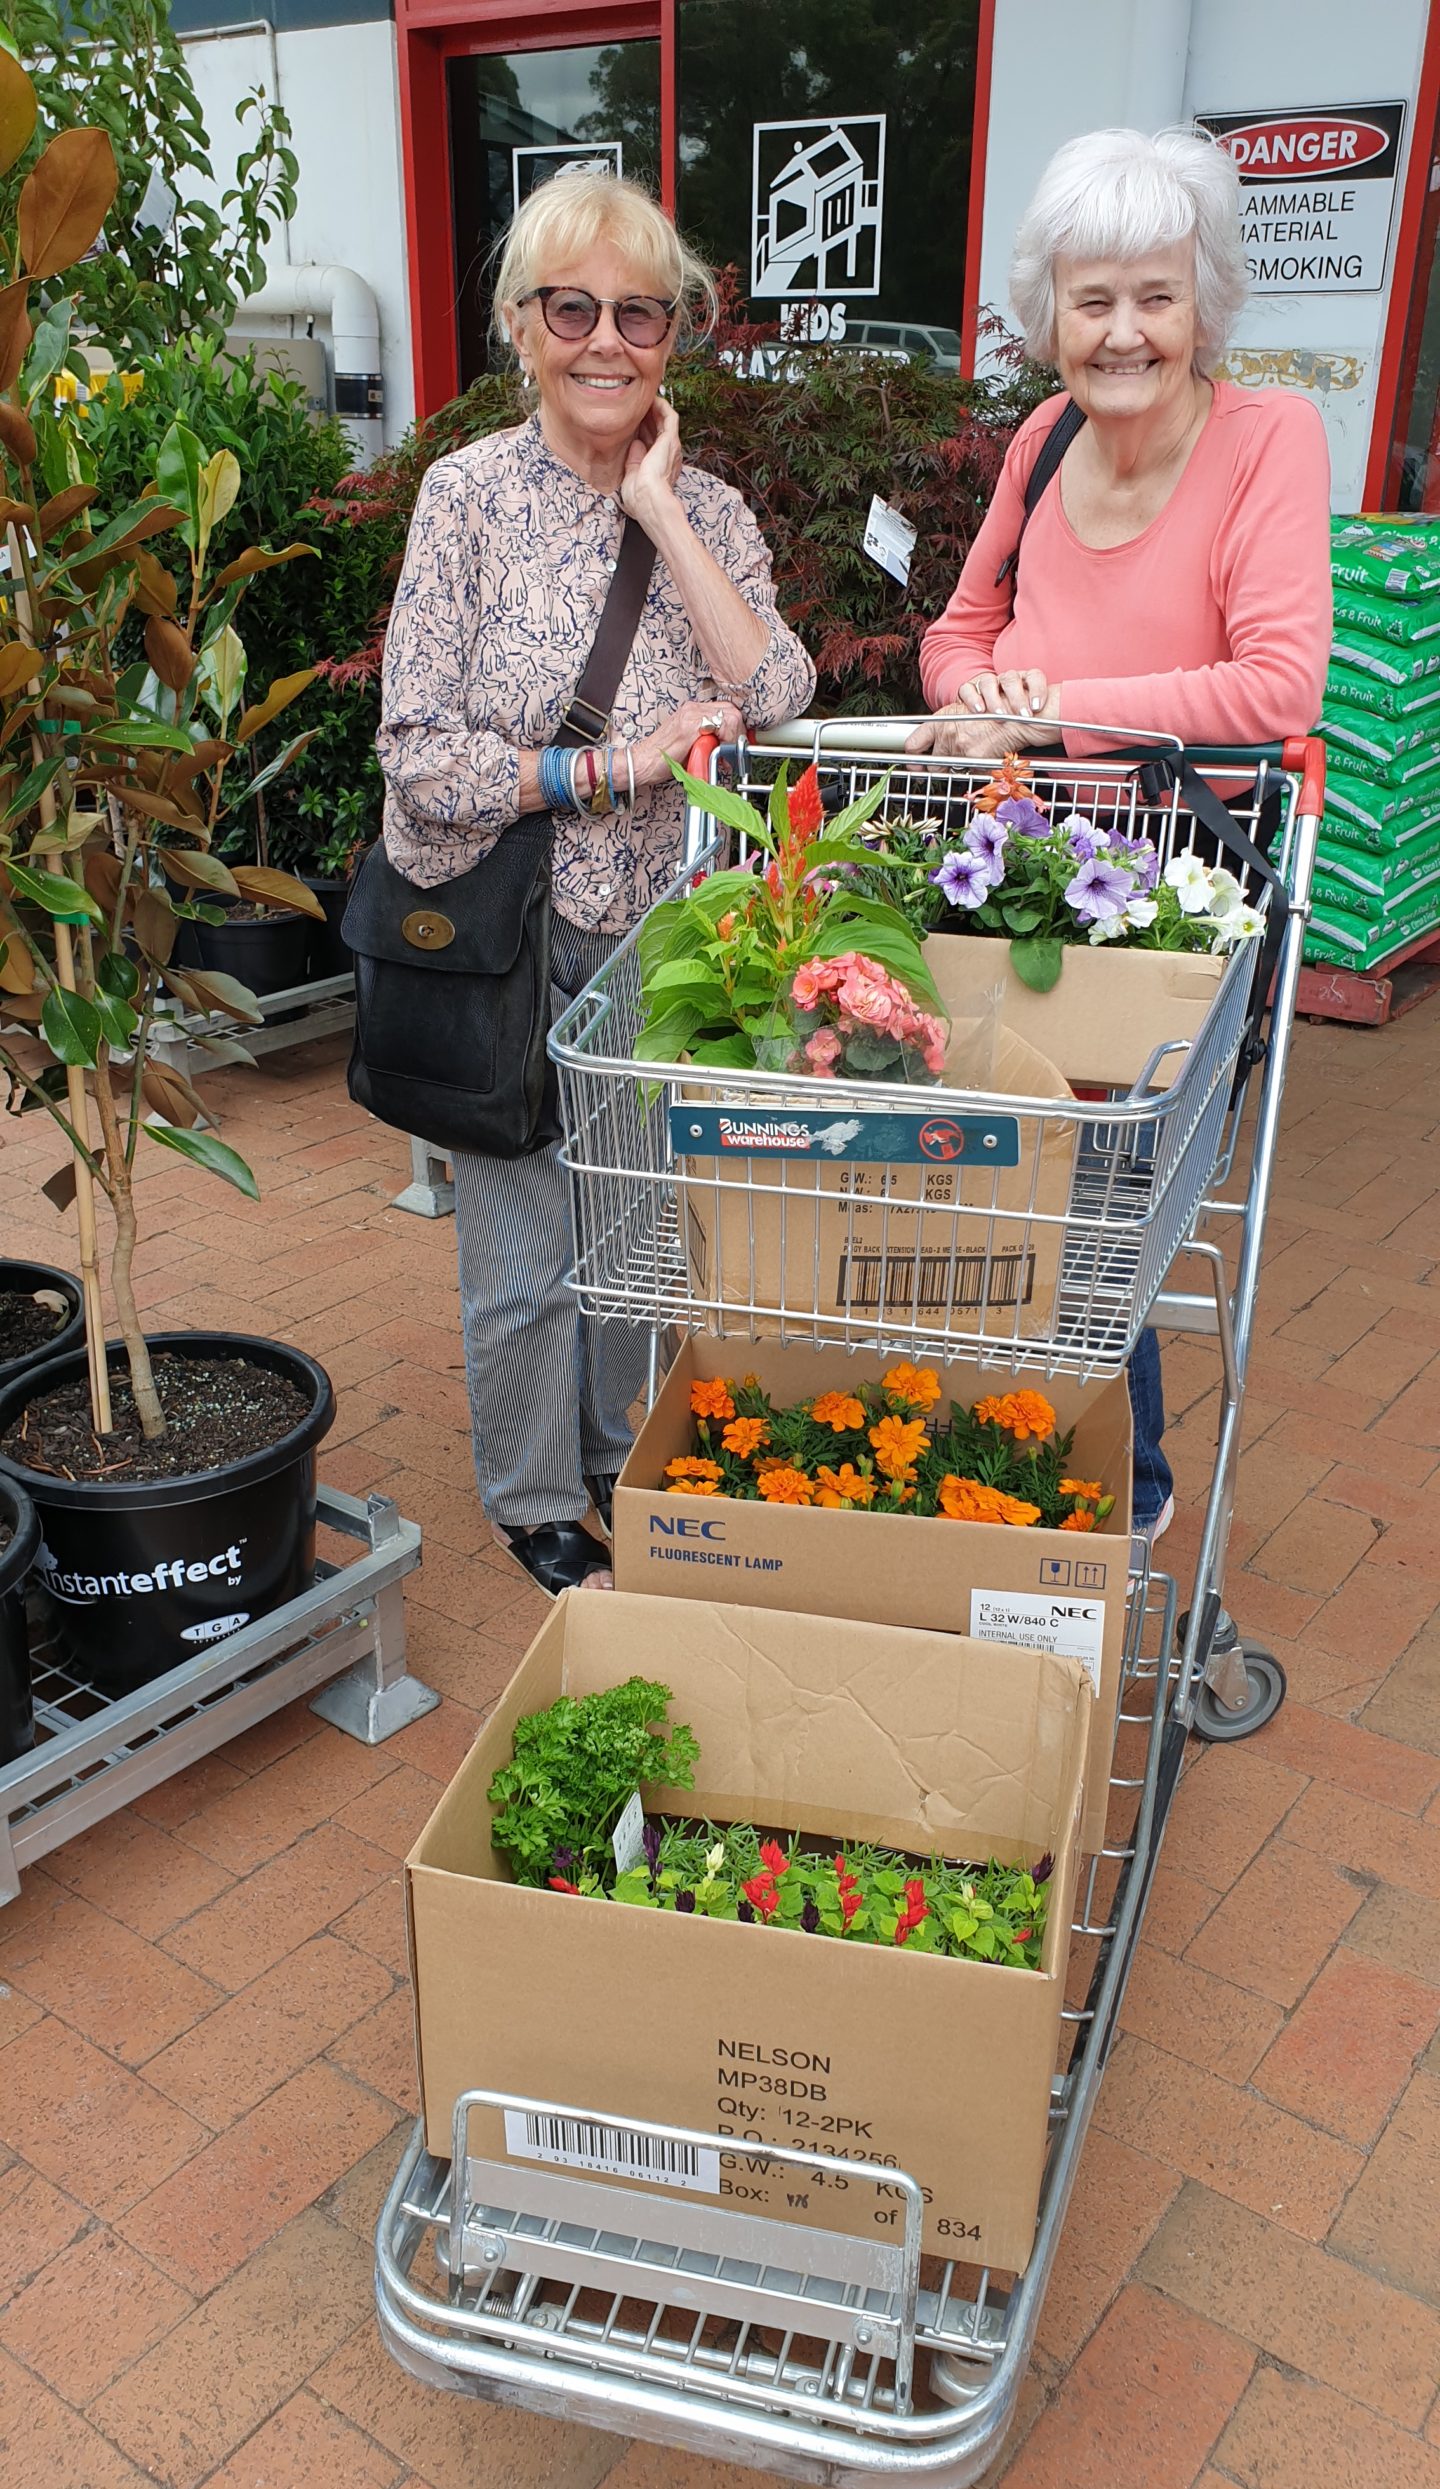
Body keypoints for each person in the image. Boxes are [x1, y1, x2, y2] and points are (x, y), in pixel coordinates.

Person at [378, 170, 815, 1594]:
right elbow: (419, 756)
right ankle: (531, 1495)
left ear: (674, 338)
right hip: (507, 944)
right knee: (522, 1261)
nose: (609, 342)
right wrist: (611, 767)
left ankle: (621, 1451)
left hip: (666, 952)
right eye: (576, 309)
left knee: (631, 1244)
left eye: (643, 314)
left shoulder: (717, 511)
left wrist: (662, 512)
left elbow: (782, 688)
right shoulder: (467, 501)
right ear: (523, 325)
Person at [909, 125, 1331, 1538]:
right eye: (1092, 299)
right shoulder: (1043, 441)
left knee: (1102, 1212)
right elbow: (957, 637)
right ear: (1052, 316)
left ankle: (1121, 1501)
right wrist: (986, 702)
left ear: (1205, 296)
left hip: (1178, 902)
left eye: (1155, 293)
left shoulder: (1272, 436)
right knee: (990, 1189)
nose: (1125, 331)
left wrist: (1054, 710)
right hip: (1015, 876)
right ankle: (995, 1469)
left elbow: (1278, 684)